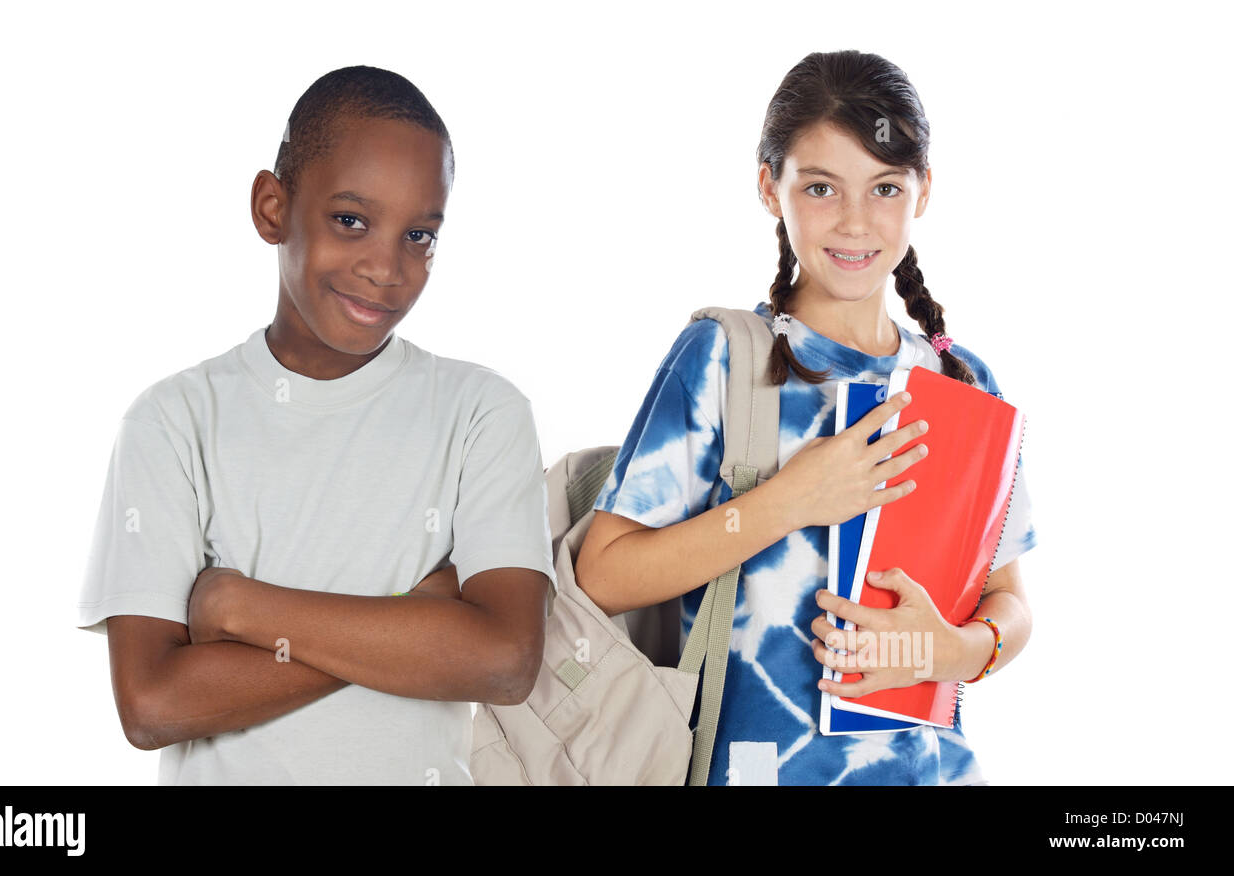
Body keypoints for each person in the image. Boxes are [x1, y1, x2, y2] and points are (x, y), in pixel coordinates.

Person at [76, 66, 555, 785]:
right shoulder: (173, 422)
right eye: (351, 220)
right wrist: (418, 623)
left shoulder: (483, 413)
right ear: (272, 207)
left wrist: (241, 607)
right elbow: (152, 703)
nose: (385, 267)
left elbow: (504, 661)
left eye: (419, 235)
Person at [575, 50, 1037, 785]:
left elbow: (1007, 601)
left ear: (923, 192)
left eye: (885, 187)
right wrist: (790, 501)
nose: (856, 222)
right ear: (770, 187)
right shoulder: (724, 357)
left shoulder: (963, 381)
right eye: (821, 187)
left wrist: (953, 652)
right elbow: (601, 573)